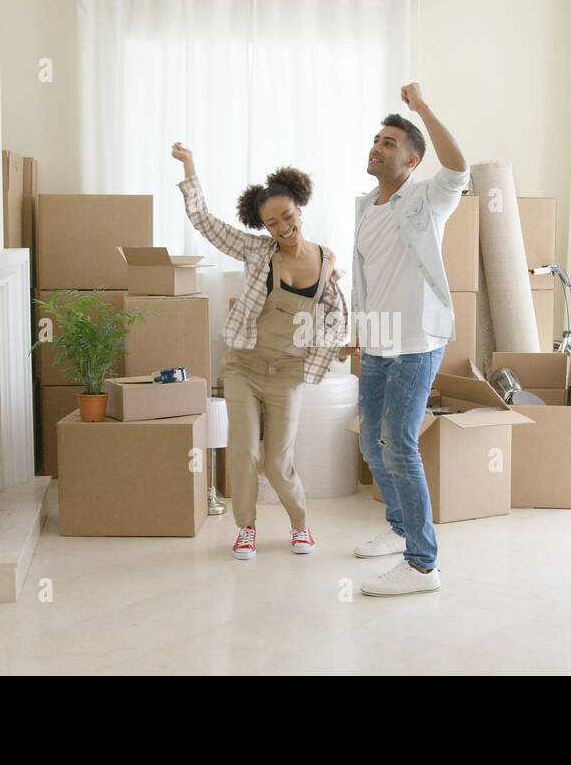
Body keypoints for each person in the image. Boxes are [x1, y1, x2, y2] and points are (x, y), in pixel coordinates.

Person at [172, 143, 349, 560]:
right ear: (263, 227)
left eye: (287, 216)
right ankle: (246, 528)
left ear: (300, 208)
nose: (283, 227)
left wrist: (338, 345)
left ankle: (300, 525)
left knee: (277, 461)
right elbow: (204, 221)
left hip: (286, 371)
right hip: (243, 367)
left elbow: (332, 315)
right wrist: (190, 166)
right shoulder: (256, 251)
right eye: (272, 223)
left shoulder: (326, 260)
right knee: (245, 451)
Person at [345, 83, 469, 596]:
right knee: (372, 441)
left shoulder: (429, 198)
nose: (378, 146)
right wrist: (358, 329)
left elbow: (459, 166)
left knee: (399, 443)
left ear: (413, 159)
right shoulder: (365, 204)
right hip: (378, 341)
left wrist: (421, 108)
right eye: (376, 139)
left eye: (390, 142)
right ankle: (400, 532)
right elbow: (367, 275)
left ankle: (423, 566)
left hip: (417, 342)